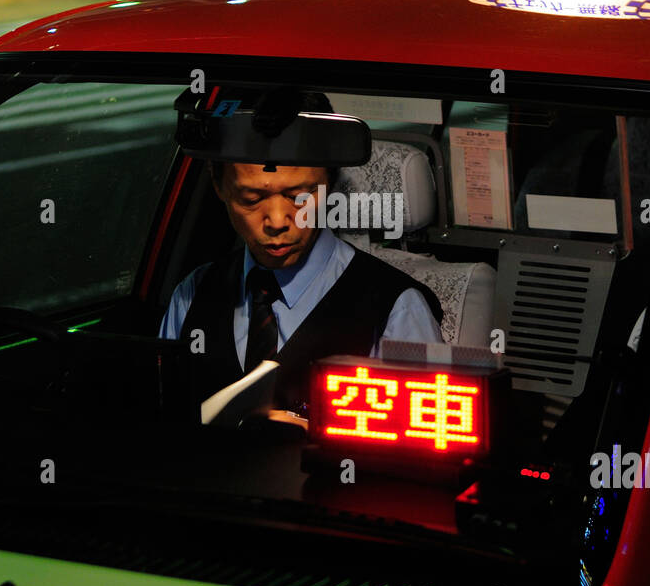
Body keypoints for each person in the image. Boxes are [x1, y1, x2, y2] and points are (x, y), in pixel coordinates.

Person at [159, 139, 444, 414]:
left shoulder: (396, 307)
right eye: (251, 199)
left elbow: (420, 450)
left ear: (330, 182)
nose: (277, 221)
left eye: (299, 198)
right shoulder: (193, 294)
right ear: (218, 186)